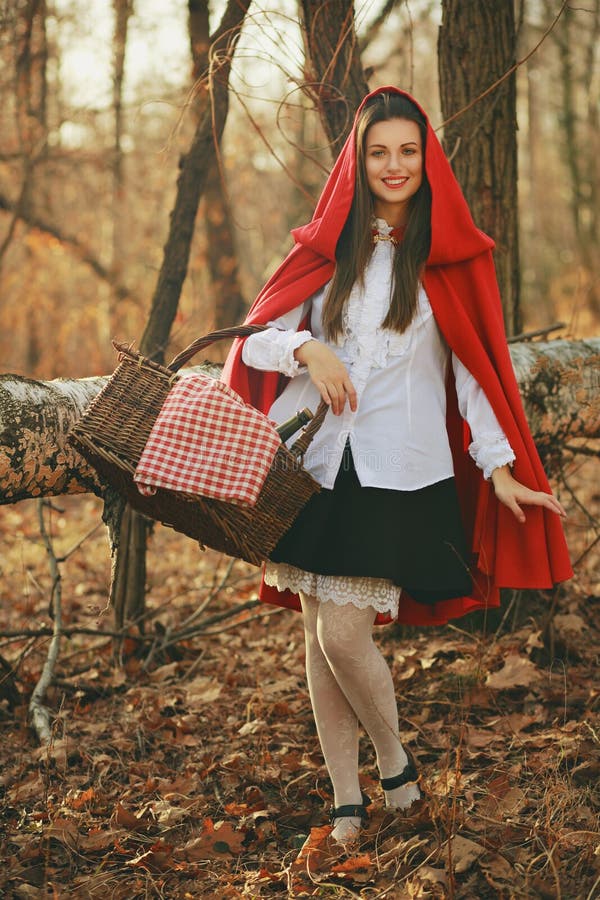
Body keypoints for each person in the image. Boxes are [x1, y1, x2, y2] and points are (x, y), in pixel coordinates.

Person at [222, 87, 572, 847]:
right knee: (319, 632)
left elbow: (475, 372)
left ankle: (396, 767)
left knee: (345, 635)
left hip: (399, 472)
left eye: (407, 151)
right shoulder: (328, 249)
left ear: (427, 159)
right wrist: (307, 347)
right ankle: (347, 802)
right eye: (378, 151)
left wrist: (501, 465)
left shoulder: (448, 257)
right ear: (358, 158)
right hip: (317, 466)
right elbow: (252, 339)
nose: (393, 165)